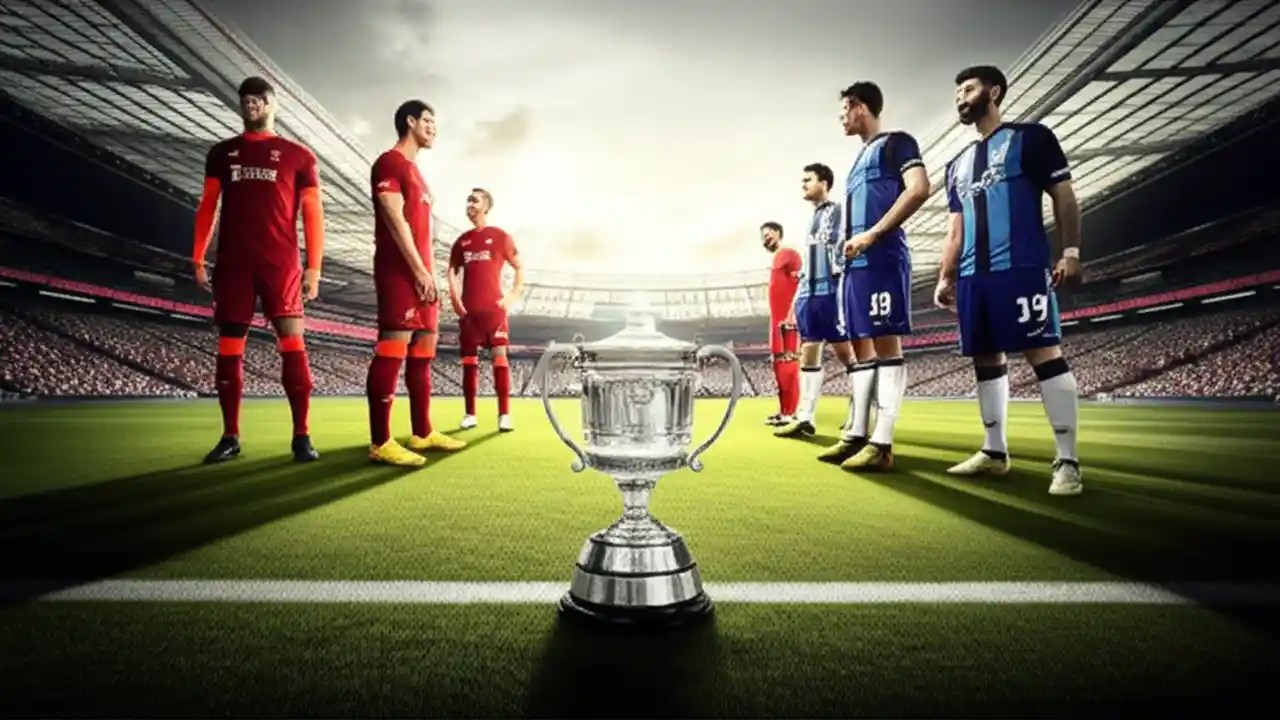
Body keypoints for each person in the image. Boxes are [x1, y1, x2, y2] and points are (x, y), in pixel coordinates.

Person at [934, 65, 1084, 496]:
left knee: (1044, 354)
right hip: (973, 278)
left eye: (968, 88)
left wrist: (1071, 252)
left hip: (1021, 268)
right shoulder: (957, 164)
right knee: (985, 358)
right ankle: (994, 452)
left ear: (993, 92)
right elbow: (955, 230)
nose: (960, 97)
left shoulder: (1031, 138)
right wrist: (946, 277)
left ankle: (1068, 461)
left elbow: (1064, 194)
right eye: (957, 91)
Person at [194, 76, 323, 464]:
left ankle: (302, 436)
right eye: (246, 99)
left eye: (260, 99)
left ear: (273, 104)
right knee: (229, 347)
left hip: (280, 262)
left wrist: (314, 267)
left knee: (293, 344)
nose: (252, 104)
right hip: (233, 262)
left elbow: (313, 214)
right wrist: (197, 255)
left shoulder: (299, 156)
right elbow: (207, 207)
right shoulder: (222, 153)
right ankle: (230, 436)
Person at [819, 81, 931, 471]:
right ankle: (856, 434)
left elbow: (919, 189)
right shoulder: (856, 163)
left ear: (859, 107)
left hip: (882, 257)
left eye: (844, 111)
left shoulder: (897, 143)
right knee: (861, 347)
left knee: (886, 346)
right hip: (856, 265)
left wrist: (873, 233)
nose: (841, 119)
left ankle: (882, 443)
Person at [366, 99, 466, 466]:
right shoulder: (389, 162)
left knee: (423, 354)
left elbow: (424, 230)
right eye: (427, 120)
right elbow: (395, 219)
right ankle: (380, 442)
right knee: (393, 349)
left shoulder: (417, 173)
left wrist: (431, 271)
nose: (433, 128)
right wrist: (419, 270)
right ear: (410, 122)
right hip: (400, 273)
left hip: (424, 276)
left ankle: (422, 432)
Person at [775, 163, 859, 439]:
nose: (803, 185)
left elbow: (842, 249)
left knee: (845, 351)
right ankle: (805, 419)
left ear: (824, 183)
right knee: (809, 349)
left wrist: (842, 276)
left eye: (808, 180)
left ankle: (859, 413)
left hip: (831, 292)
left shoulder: (838, 211)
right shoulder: (809, 219)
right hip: (809, 293)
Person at [449, 187, 524, 432]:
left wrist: (513, 295)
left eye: (474, 200)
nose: (469, 203)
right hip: (470, 313)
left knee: (500, 360)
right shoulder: (462, 241)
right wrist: (454, 297)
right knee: (469, 363)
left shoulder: (500, 236)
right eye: (468, 199)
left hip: (494, 310)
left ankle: (504, 415)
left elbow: (519, 266)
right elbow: (452, 270)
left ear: (486, 207)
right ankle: (470, 413)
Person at [760, 221, 801, 426]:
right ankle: (783, 410)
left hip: (788, 321)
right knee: (778, 364)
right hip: (776, 321)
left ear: (778, 233)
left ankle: (791, 414)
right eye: (763, 237)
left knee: (788, 364)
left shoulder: (790, 255)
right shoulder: (775, 260)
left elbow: (800, 284)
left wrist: (792, 313)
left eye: (768, 235)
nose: (765, 239)